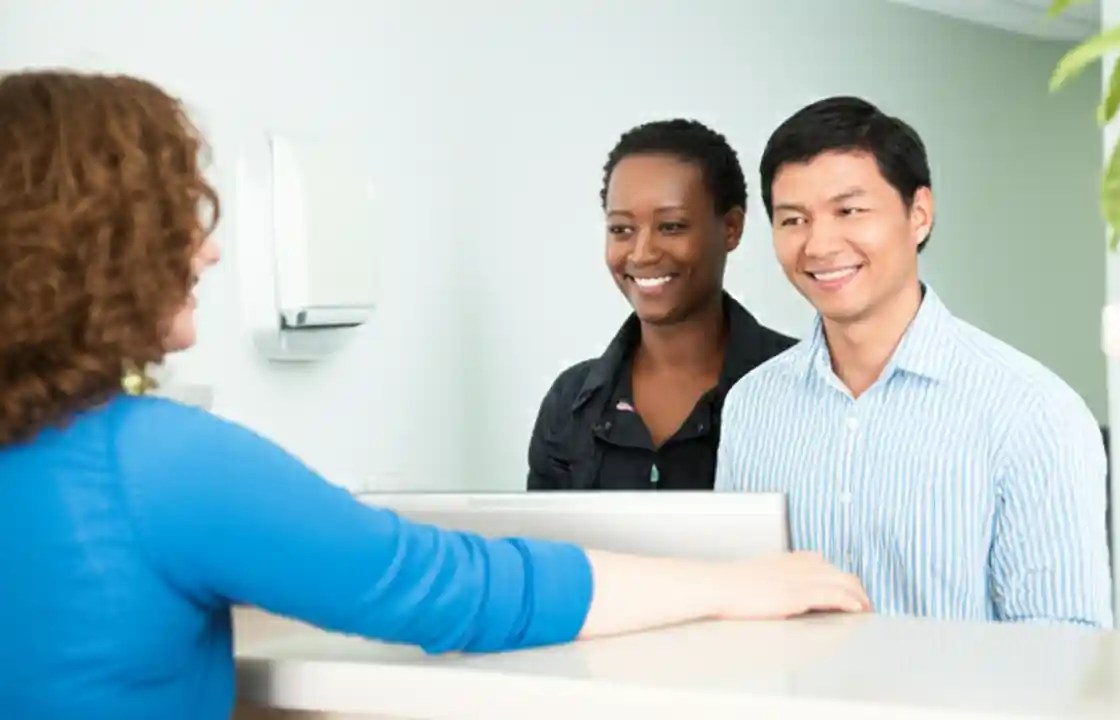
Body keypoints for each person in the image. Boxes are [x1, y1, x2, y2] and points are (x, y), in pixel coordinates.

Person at [0, 72, 871, 719]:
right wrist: (733, 586)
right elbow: (455, 589)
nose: (211, 253)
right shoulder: (155, 462)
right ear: (100, 248)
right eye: (183, 223)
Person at [715, 96, 1112, 627]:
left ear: (919, 214)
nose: (819, 243)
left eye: (849, 211)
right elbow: (737, 609)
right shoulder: (751, 406)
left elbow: (1067, 649)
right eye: (793, 219)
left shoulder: (1033, 412)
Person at [527, 119, 794, 491]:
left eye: (671, 226)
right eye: (622, 229)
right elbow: (548, 548)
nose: (642, 253)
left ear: (731, 228)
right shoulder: (571, 402)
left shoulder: (802, 386)